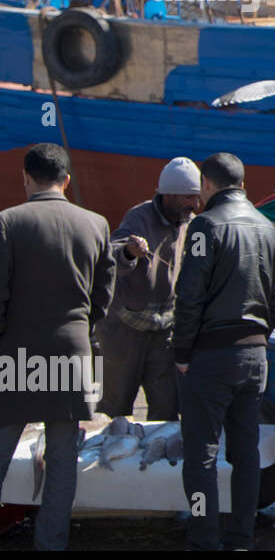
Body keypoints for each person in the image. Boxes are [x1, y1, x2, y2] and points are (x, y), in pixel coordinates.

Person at [0, 144, 114, 551]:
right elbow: (103, 298)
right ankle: (52, 544)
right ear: (66, 180)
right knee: (64, 457)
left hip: (17, 355)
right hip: (74, 353)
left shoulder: (7, 223)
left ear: (26, 177)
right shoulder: (97, 224)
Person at [173, 152, 275, 551]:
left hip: (210, 356)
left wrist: (182, 353)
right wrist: (259, 338)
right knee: (246, 452)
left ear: (207, 184)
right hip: (255, 356)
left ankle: (204, 537)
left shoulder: (205, 225)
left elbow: (189, 297)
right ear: (243, 182)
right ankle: (241, 536)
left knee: (201, 456)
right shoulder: (267, 227)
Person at [99, 157, 202, 421]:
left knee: (166, 409)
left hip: (163, 333)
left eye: (196, 197)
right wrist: (129, 252)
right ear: (167, 194)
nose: (194, 204)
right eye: (188, 197)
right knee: (114, 408)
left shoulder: (190, 223)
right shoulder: (139, 217)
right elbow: (111, 255)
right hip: (125, 330)